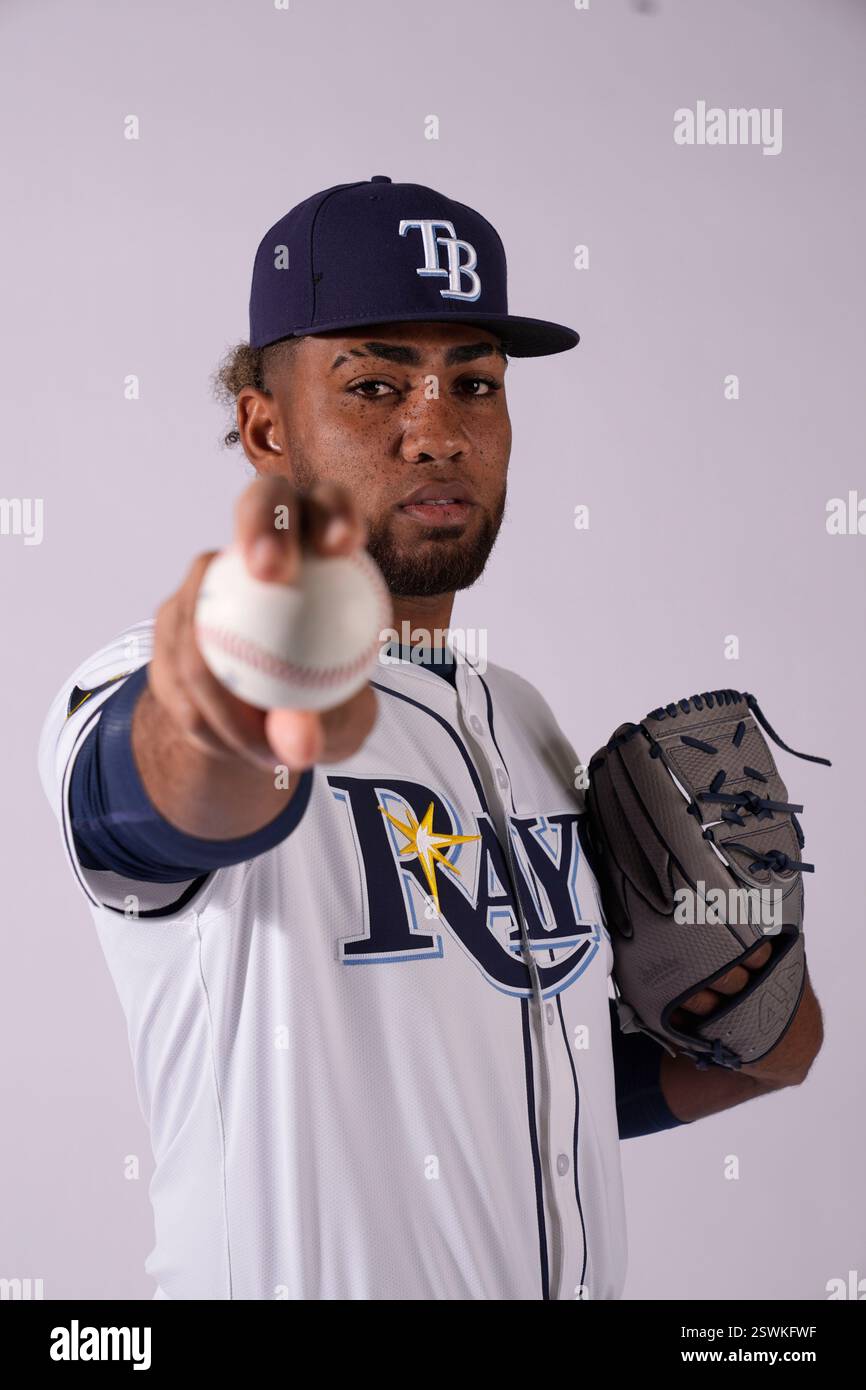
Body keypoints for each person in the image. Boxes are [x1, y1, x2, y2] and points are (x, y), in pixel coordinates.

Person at [38, 176, 821, 1300]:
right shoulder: (137, 680)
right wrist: (227, 703)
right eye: (374, 385)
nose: (438, 430)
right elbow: (161, 792)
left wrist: (750, 1041)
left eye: (475, 382)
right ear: (265, 427)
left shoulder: (525, 720)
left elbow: (540, 1087)